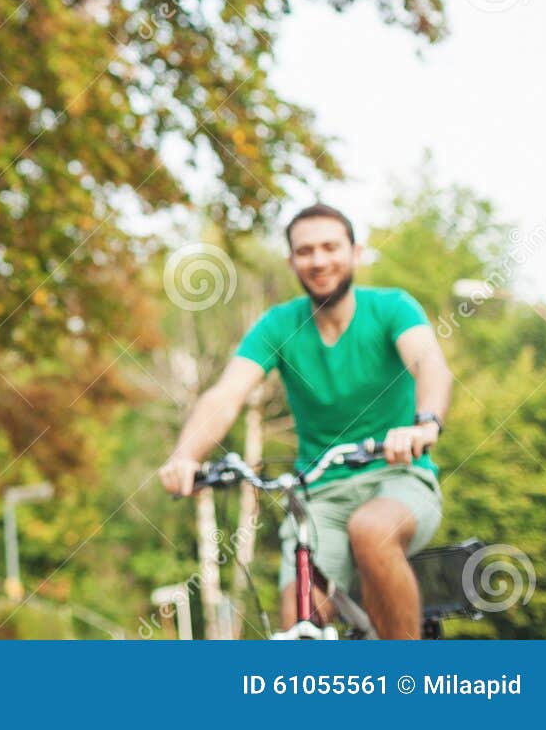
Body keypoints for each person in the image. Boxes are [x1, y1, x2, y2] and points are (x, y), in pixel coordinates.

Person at [157, 204, 453, 639]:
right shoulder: (279, 325)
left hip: (398, 475)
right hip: (319, 496)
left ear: (355, 252)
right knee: (301, 615)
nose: (319, 260)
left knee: (370, 530)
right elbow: (225, 395)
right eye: (306, 251)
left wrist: (424, 424)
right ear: (292, 260)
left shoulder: (391, 308)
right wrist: (185, 456)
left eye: (331, 247)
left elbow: (431, 366)